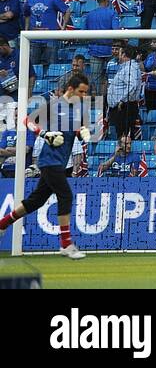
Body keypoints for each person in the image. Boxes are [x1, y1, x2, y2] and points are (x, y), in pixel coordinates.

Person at [0, 72, 93, 259]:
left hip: (60, 161)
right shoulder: (54, 106)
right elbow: (27, 121)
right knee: (65, 195)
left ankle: (2, 224)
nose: (83, 96)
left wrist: (83, 132)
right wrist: (45, 135)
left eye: (85, 93)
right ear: (70, 89)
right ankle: (66, 244)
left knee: (36, 200)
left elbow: (78, 129)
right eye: (81, 92)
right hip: (49, 161)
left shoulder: (79, 109)